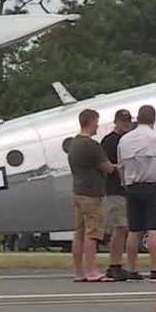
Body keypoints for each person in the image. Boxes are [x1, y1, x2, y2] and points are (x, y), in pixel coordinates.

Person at [117, 104, 156, 280]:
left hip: (132, 186)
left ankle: (132, 268)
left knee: (134, 229)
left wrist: (124, 183)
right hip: (152, 185)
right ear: (153, 119)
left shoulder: (124, 140)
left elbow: (121, 167)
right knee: (153, 228)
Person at [66, 109, 118, 282]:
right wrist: (119, 166)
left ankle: (79, 271)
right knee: (92, 233)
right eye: (97, 121)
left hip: (78, 192)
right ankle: (92, 270)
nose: (98, 125)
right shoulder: (91, 145)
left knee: (79, 233)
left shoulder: (74, 143)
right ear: (91, 121)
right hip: (91, 194)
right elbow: (107, 168)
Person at [101, 109, 141, 281]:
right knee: (121, 227)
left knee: (125, 228)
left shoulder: (128, 139)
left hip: (126, 189)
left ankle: (119, 264)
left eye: (128, 121)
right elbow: (107, 165)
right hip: (114, 189)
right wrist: (121, 167)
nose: (126, 124)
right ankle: (114, 264)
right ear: (115, 122)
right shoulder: (109, 141)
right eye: (123, 121)